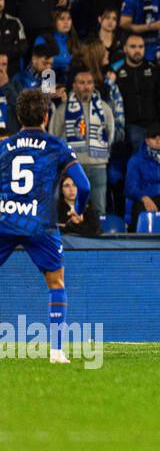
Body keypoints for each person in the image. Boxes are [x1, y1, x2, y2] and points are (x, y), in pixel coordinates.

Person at [0, 90, 91, 363]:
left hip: (4, 221)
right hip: (41, 225)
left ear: (18, 117)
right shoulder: (56, 146)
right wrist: (79, 210)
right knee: (56, 284)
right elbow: (84, 185)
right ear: (46, 116)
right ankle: (56, 351)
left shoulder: (4, 146)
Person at [49, 68, 115, 217]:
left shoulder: (104, 108)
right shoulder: (63, 110)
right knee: (70, 209)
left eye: (89, 83)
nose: (86, 86)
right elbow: (54, 136)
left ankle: (97, 239)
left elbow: (110, 134)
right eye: (82, 83)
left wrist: (101, 153)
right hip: (73, 166)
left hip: (98, 166)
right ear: (74, 86)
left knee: (99, 210)